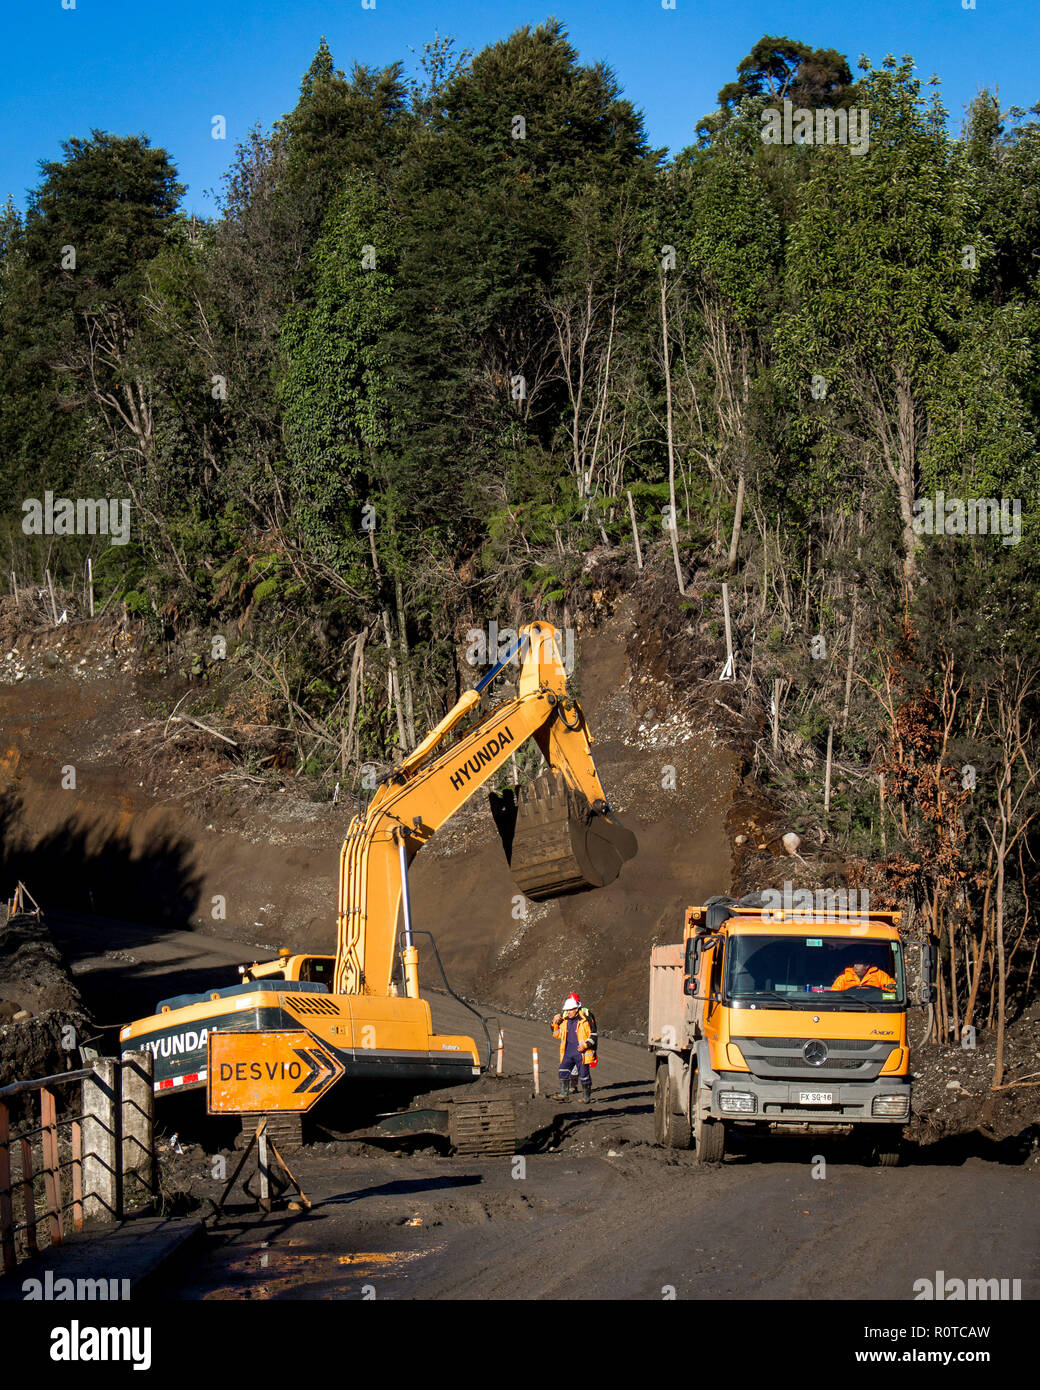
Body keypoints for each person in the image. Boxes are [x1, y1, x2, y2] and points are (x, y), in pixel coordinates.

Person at [551, 993, 597, 1102]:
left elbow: (594, 1035)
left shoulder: (585, 1019)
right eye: (566, 1010)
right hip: (567, 1052)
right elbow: (556, 1034)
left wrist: (585, 1045)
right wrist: (554, 1023)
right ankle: (563, 1093)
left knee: (584, 1076)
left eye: (570, 1010)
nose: (568, 1012)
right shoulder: (564, 1020)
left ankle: (586, 1097)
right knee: (562, 1071)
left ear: (576, 1009)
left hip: (581, 1053)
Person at [831, 958, 896, 992]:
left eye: (859, 964)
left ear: (867, 966)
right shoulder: (843, 977)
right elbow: (835, 993)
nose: (855, 966)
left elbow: (892, 990)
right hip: (849, 1006)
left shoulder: (879, 975)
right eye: (855, 963)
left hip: (874, 1006)